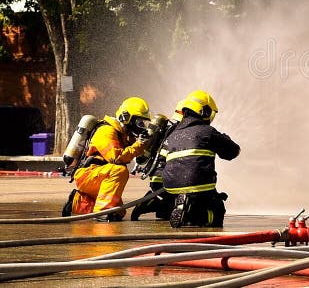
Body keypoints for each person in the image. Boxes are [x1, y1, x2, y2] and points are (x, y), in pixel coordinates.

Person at [63, 96, 153, 221]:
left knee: (119, 213)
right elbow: (115, 158)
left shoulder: (121, 134)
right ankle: (101, 212)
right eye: (139, 122)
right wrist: (138, 145)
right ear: (126, 118)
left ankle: (76, 202)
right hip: (88, 174)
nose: (141, 127)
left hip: (100, 175)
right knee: (119, 171)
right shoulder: (106, 130)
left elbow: (132, 155)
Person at [161, 90, 240, 228]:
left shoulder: (172, 134)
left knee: (196, 200)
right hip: (197, 184)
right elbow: (232, 152)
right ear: (204, 112)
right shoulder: (207, 132)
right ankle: (199, 215)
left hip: (170, 187)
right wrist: (225, 139)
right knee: (216, 210)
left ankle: (184, 207)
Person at [130, 106, 183, 221]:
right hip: (166, 179)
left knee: (167, 212)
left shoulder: (168, 131)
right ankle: (150, 201)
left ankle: (152, 202)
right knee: (171, 201)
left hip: (157, 178)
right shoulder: (180, 133)